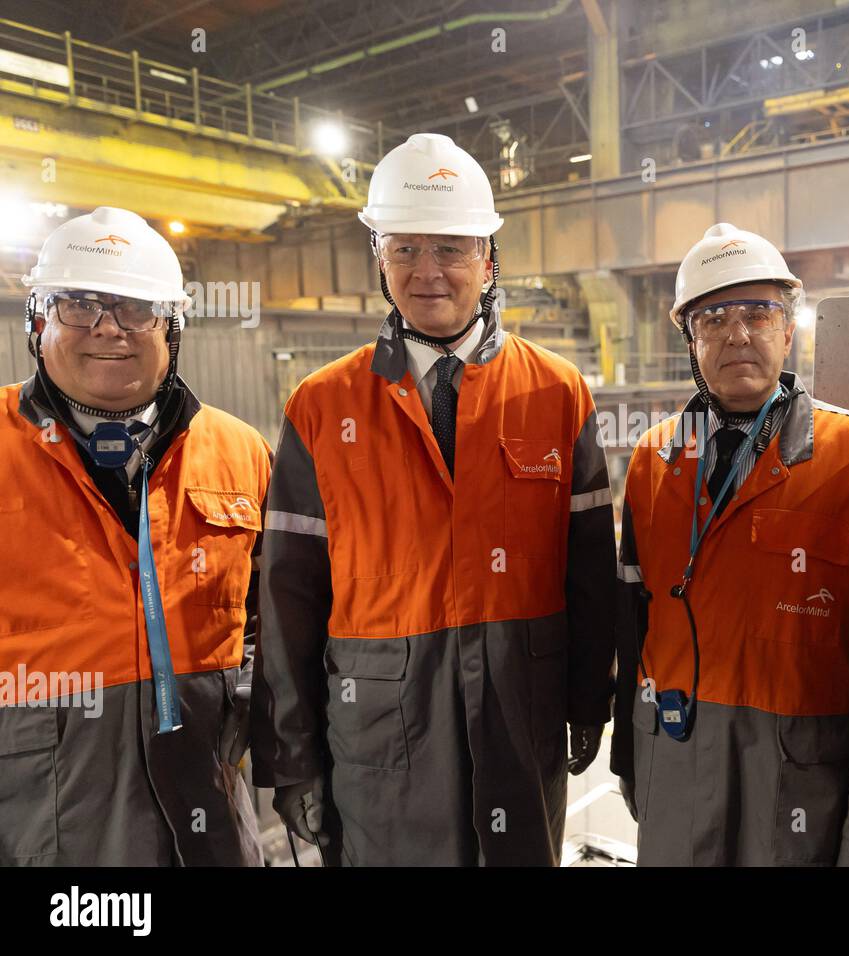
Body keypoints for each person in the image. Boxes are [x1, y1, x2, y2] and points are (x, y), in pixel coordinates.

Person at [252, 133, 617, 865]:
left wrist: (587, 699)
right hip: (382, 737)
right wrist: (291, 755)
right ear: (378, 258)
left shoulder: (557, 392)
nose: (428, 273)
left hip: (521, 715)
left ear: (488, 260)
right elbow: (288, 597)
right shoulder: (322, 407)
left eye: (450, 249)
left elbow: (589, 571)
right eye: (405, 249)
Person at [610, 223, 849, 866]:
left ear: (789, 327)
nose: (737, 333)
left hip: (800, 786)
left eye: (758, 312)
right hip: (677, 766)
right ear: (689, 338)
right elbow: (633, 628)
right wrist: (632, 760)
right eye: (713, 317)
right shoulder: (652, 461)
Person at [1, 206, 270, 865]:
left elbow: (278, 617)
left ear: (172, 326)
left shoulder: (241, 452)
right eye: (80, 306)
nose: (109, 330)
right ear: (39, 320)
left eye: (135, 309)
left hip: (209, 829)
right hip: (43, 831)